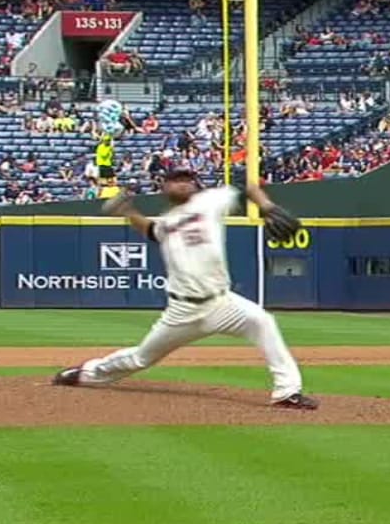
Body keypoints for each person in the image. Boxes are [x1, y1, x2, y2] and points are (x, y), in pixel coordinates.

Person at [51, 165, 318, 409]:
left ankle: (287, 392)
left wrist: (267, 207)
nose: (183, 183)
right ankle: (87, 374)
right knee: (140, 358)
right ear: (164, 188)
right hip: (183, 310)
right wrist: (129, 212)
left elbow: (246, 186)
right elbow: (150, 230)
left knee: (263, 322)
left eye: (188, 179)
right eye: (176, 180)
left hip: (223, 303)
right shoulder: (167, 222)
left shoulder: (211, 200)